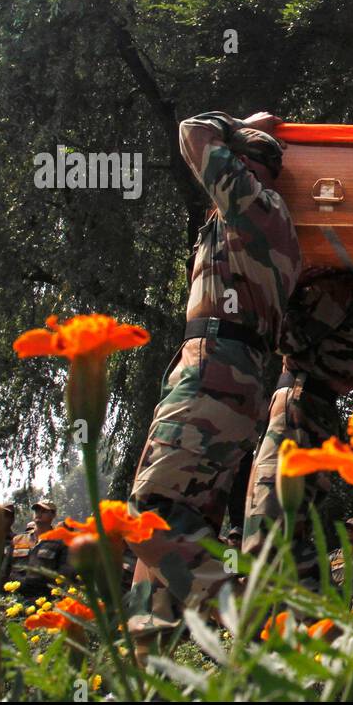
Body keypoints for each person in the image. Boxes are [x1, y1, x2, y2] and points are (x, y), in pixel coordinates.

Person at [126, 110, 302, 642]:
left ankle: (250, 617)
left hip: (214, 366)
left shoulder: (252, 204)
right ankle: (151, 669)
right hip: (232, 371)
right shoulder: (267, 222)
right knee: (188, 522)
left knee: (148, 515)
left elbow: (191, 131)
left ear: (245, 166)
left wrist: (235, 122)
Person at [242, 268, 353, 580]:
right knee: (290, 526)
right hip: (315, 408)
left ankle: (309, 609)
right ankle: (311, 611)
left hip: (300, 406)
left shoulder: (335, 289)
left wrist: (281, 294)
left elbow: (284, 337)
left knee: (267, 528)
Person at [10, 501, 69, 599]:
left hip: (45, 598)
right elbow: (7, 568)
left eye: (44, 511)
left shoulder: (60, 541)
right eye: (37, 510)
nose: (39, 513)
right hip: (17, 599)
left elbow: (64, 572)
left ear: (53, 514)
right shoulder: (18, 539)